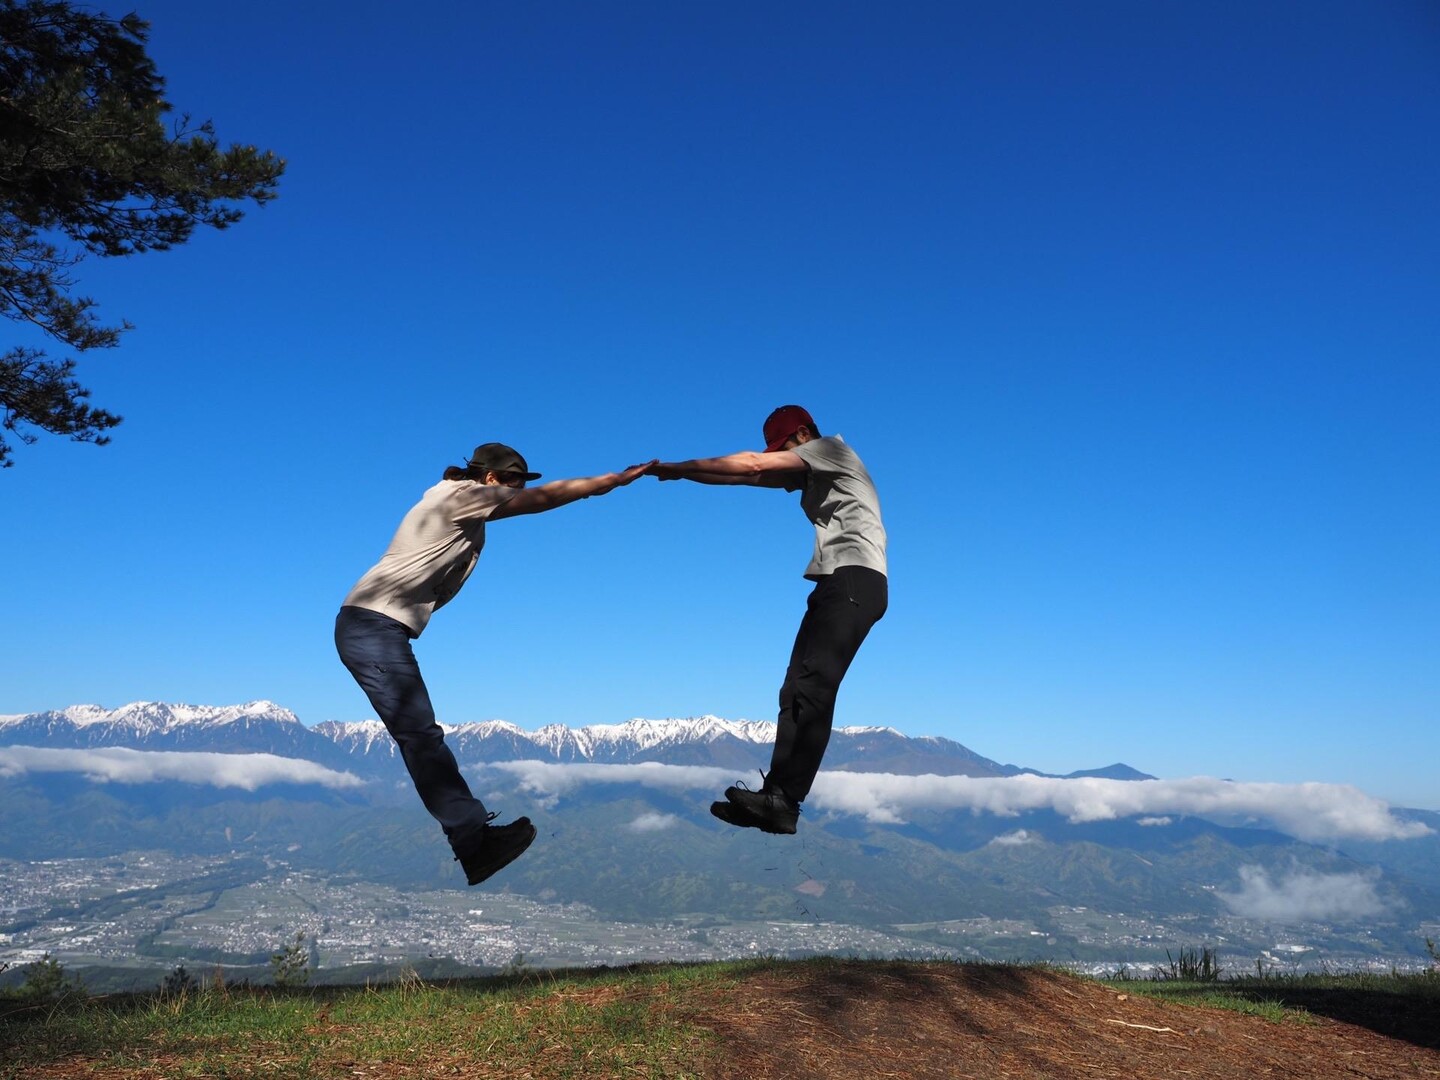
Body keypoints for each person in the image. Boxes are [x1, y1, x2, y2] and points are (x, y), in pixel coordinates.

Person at [336, 443, 652, 885]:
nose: (517, 491)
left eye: (521, 483)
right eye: (512, 482)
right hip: (372, 626)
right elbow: (545, 499)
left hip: (376, 627)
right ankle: (474, 844)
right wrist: (612, 481)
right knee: (420, 736)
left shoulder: (453, 503)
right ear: (488, 479)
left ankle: (473, 841)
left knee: (420, 735)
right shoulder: (459, 497)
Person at [652, 405, 887, 834]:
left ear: (802, 434)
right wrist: (678, 474)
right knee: (795, 688)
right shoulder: (816, 468)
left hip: (855, 579)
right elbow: (748, 476)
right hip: (836, 582)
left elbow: (754, 463)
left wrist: (678, 464)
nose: (781, 458)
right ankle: (774, 796)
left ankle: (785, 801)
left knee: (814, 685)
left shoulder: (830, 449)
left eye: (784, 448)